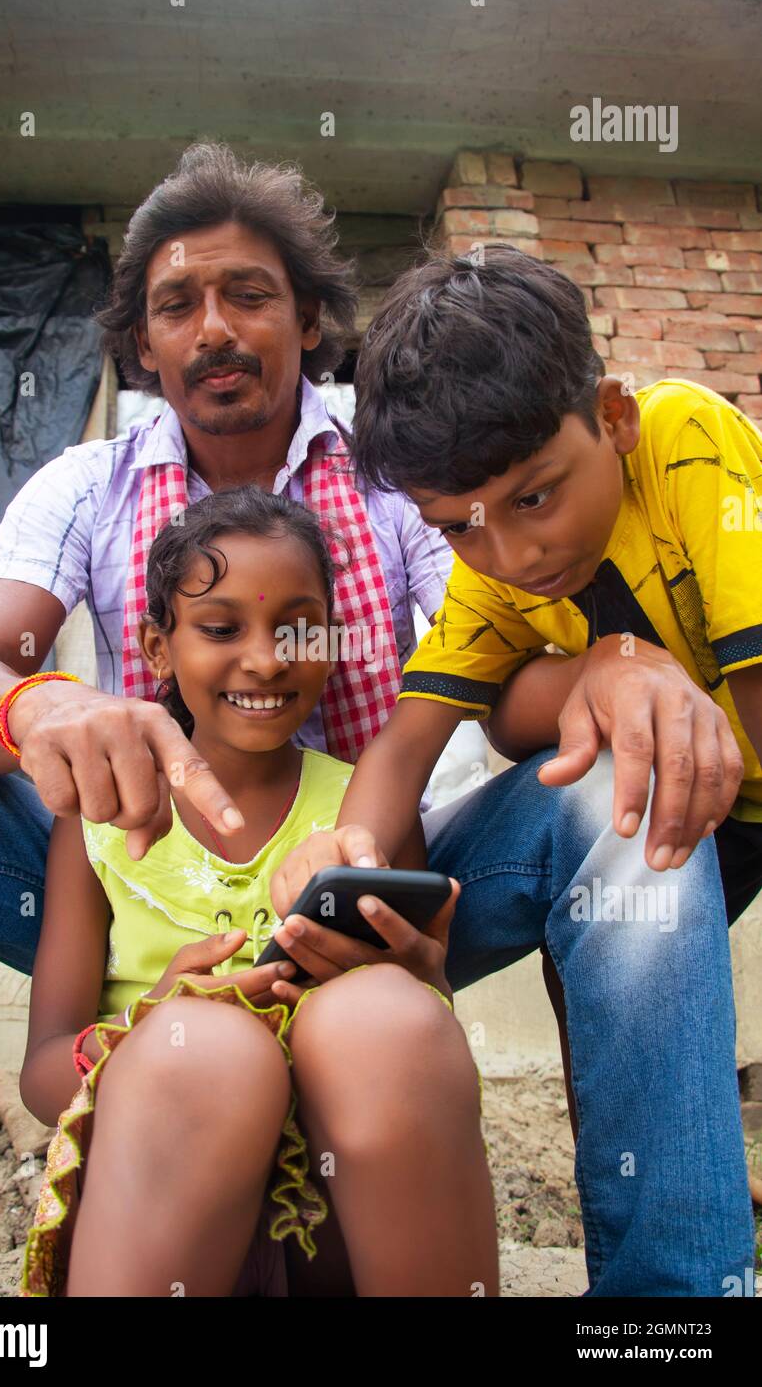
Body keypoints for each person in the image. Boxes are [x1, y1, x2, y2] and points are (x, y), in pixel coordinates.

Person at [0, 141, 452, 1284]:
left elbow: (490, 661)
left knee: (606, 826)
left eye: (248, 294)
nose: (212, 329)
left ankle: (675, 1297)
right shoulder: (84, 482)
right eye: (175, 305)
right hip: (137, 869)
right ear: (141, 346)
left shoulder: (399, 467)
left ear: (307, 318)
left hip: (382, 861)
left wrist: (611, 663)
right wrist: (44, 707)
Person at [270, 244, 759, 1297]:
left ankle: (672, 1299)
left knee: (625, 803)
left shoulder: (680, 443)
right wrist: (350, 855)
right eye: (457, 526)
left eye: (536, 497)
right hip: (651, 817)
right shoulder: (489, 563)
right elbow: (404, 742)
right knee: (597, 811)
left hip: (734, 785)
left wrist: (643, 689)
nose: (512, 556)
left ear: (611, 418)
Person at [18, 487, 497, 1297]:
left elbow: (425, 1027)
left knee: (383, 1021)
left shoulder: (364, 811)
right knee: (203, 1048)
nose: (269, 658)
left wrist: (422, 985)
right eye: (220, 628)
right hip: (162, 1213)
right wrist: (145, 1027)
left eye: (299, 628)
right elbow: (40, 1072)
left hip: (339, 1228)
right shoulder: (101, 820)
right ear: (158, 650)